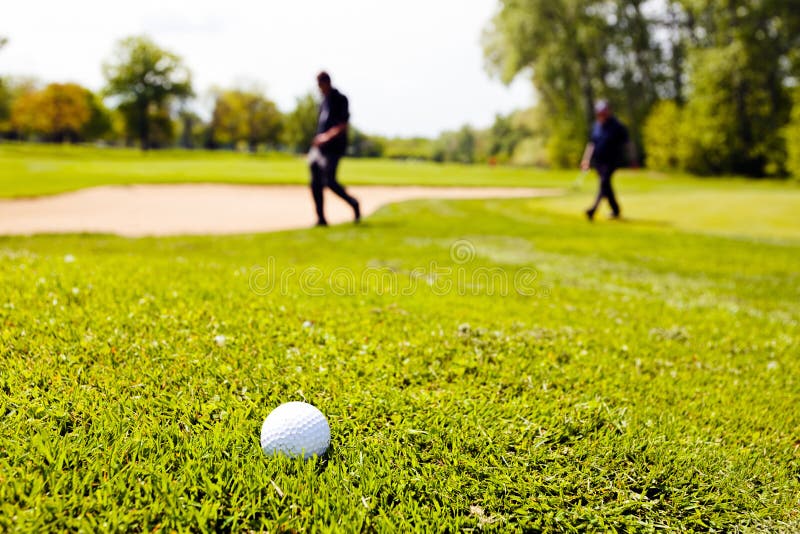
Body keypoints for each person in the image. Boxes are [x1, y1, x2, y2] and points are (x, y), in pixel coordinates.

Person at [309, 71, 360, 227]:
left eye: (320, 84)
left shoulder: (340, 99)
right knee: (315, 181)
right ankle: (321, 218)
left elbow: (342, 125)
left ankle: (353, 203)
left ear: (326, 82)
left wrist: (326, 137)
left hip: (334, 148)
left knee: (330, 181)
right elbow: (321, 125)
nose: (319, 88)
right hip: (319, 149)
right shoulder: (323, 101)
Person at [580, 100, 635, 221]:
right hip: (598, 161)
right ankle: (615, 210)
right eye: (600, 112)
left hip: (612, 161)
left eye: (604, 111)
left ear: (609, 110)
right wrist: (586, 159)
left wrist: (632, 159)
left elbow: (628, 143)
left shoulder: (617, 126)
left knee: (604, 183)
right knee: (606, 186)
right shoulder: (596, 126)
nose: (602, 114)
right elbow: (591, 144)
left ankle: (593, 209)